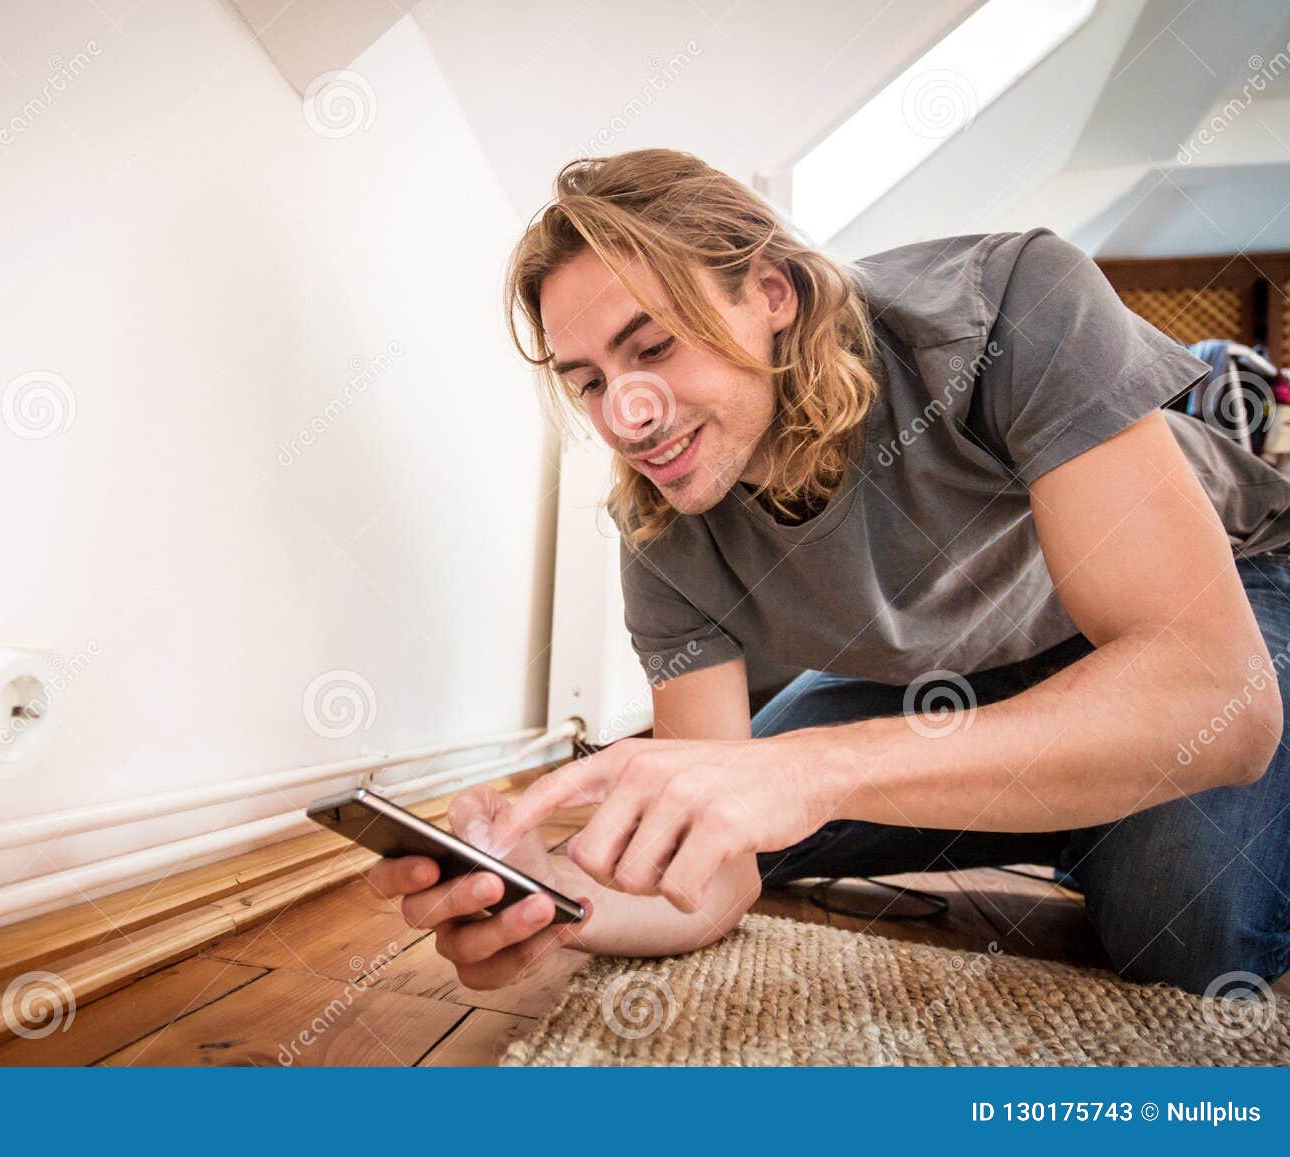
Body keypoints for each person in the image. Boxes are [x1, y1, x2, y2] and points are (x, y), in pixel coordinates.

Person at [366, 149, 1290, 995]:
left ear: (772, 293)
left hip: (1237, 593)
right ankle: (1077, 791)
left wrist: (814, 770)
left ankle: (1095, 800)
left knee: (1188, 933)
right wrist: (551, 894)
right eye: (589, 382)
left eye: (653, 349)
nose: (627, 416)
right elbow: (717, 876)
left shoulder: (1009, 303)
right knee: (739, 812)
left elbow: (1214, 695)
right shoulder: (661, 532)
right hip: (948, 676)